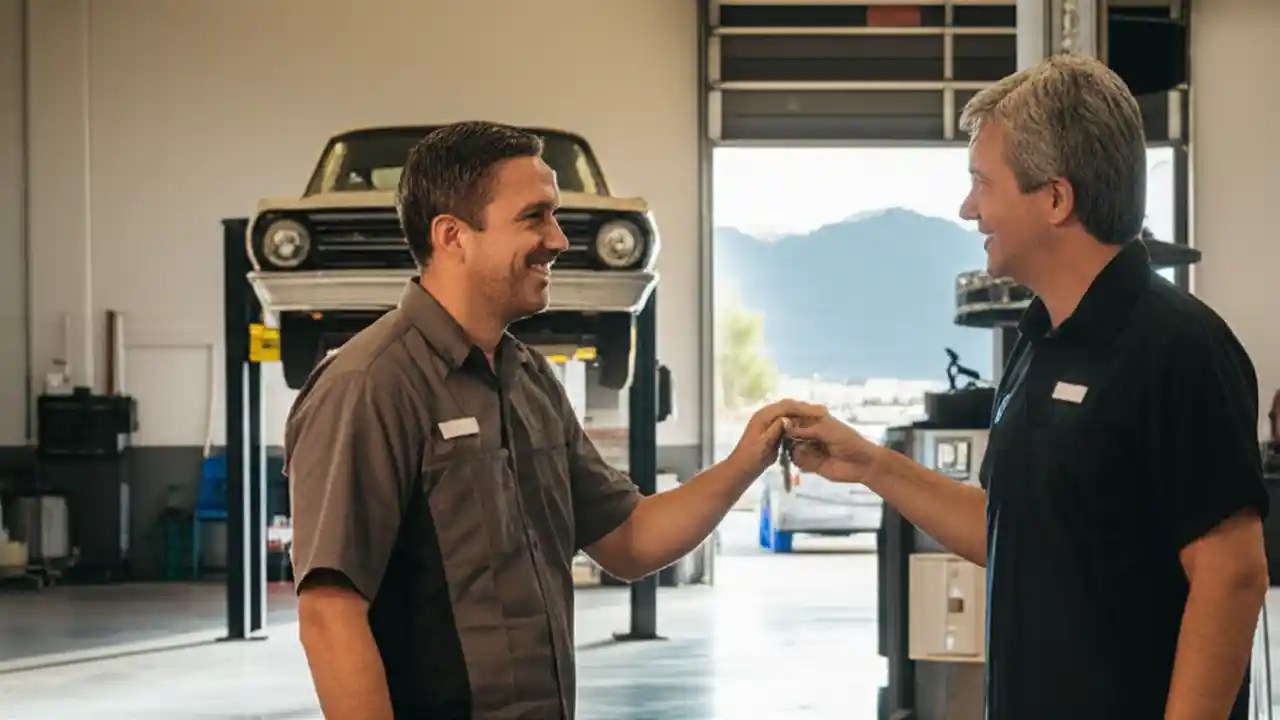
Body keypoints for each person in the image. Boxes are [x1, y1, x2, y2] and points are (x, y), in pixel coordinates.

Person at [781, 54, 1270, 720]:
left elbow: (1231, 578)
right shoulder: (1038, 342)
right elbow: (1011, 529)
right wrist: (865, 462)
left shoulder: (1178, 347)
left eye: (983, 182)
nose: (968, 207)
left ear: (1056, 198)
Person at [284, 120, 791, 720]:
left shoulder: (527, 380)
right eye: (535, 217)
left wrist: (748, 459)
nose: (558, 240)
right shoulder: (370, 385)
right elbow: (329, 611)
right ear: (453, 236)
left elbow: (628, 540)